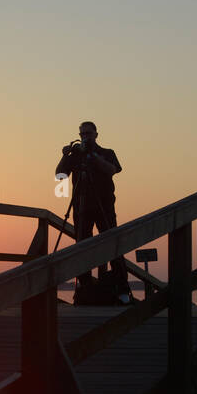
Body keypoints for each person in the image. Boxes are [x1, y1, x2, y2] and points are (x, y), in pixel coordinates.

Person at [56, 122, 132, 304]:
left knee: (113, 245)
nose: (85, 137)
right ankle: (85, 288)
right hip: (81, 207)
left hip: (104, 205)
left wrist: (93, 155)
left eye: (88, 133)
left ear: (96, 134)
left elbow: (112, 170)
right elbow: (60, 175)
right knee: (82, 247)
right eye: (82, 134)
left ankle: (122, 289)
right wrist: (65, 156)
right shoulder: (75, 155)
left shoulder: (107, 153)